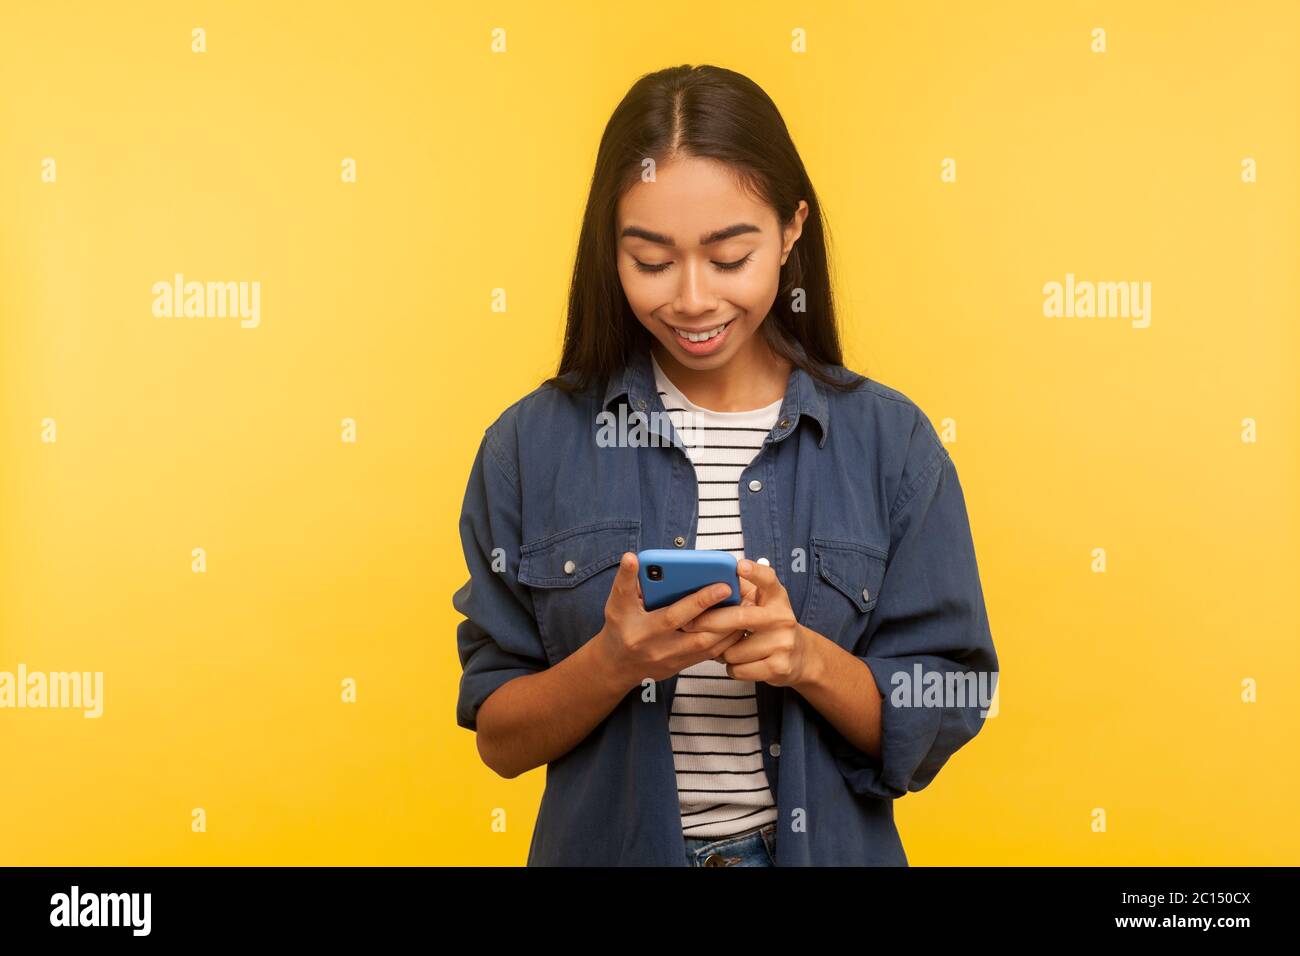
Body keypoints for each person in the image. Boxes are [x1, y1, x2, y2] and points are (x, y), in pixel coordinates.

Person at [453, 63, 998, 866]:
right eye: (651, 260)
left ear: (790, 229)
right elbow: (499, 738)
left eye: (730, 256)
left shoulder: (891, 444)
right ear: (610, 250)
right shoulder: (530, 447)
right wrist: (612, 662)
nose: (694, 298)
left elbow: (947, 706)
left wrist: (806, 659)